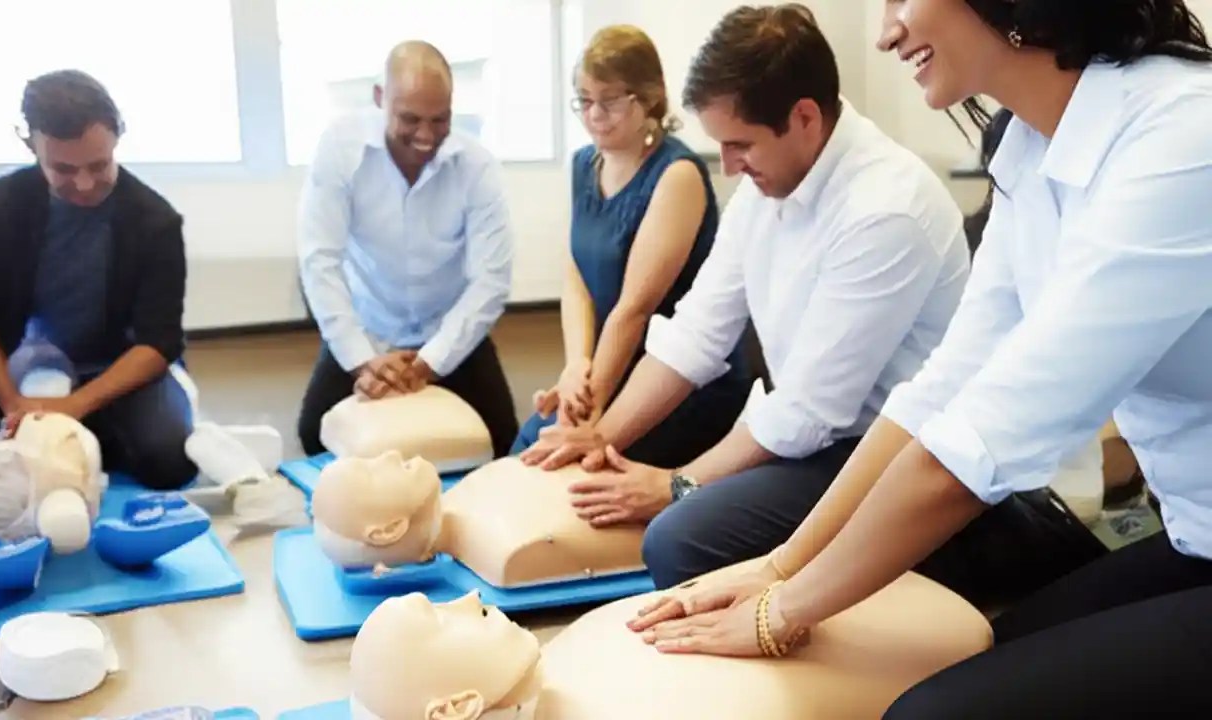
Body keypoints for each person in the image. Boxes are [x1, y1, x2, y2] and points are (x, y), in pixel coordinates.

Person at [628, 1, 1212, 717]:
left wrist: (780, 611)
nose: (886, 31)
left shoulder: (1181, 138)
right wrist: (779, 568)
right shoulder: (1030, 150)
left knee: (931, 712)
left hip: (1083, 507)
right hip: (1194, 537)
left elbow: (979, 443)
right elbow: (939, 389)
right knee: (985, 657)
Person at [521, 6, 977, 590]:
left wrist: (676, 483)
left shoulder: (886, 207)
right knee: (555, 450)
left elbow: (810, 410)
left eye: (740, 145)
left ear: (804, 117)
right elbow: (695, 336)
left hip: (893, 457)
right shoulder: (768, 188)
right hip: (819, 441)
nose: (730, 167)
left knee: (678, 537)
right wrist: (599, 437)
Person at [0, 69, 196, 501]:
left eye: (99, 165)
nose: (85, 184)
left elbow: (158, 342)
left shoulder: (155, 221)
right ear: (32, 146)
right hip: (9, 360)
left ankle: (72, 431)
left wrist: (74, 406)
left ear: (118, 138)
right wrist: (13, 403)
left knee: (168, 460)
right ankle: (55, 431)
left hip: (112, 362)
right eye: (64, 169)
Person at [510, 25, 752, 469]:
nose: (595, 114)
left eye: (610, 100)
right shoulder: (584, 164)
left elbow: (633, 309)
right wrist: (576, 369)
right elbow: (577, 277)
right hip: (609, 367)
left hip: (675, 383)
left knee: (561, 463)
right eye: (584, 100)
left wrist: (589, 405)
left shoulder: (676, 174)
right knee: (526, 446)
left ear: (651, 97)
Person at [296, 40, 519, 460]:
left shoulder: (478, 166)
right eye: (410, 119)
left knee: (504, 441)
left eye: (440, 119)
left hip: (449, 331)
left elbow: (490, 281)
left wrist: (430, 362)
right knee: (313, 433)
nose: (426, 135)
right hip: (370, 325)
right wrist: (362, 360)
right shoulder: (339, 149)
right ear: (381, 99)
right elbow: (320, 261)